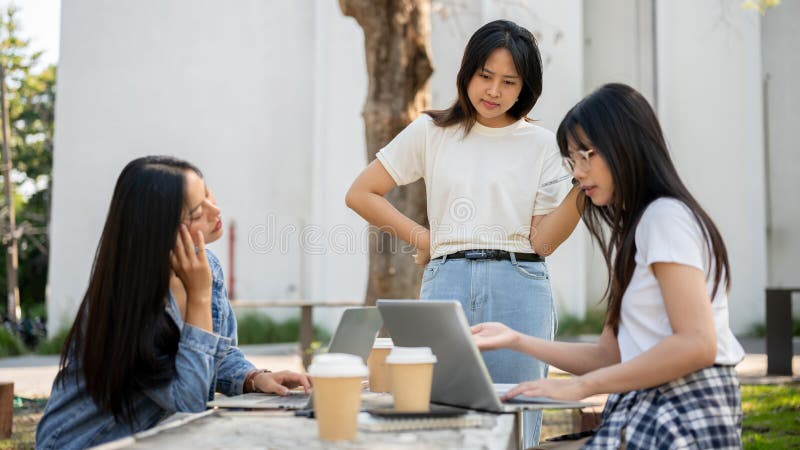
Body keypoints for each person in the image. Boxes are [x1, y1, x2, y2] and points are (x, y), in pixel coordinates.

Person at [346, 20, 581, 445]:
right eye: (485, 76)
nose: (493, 91)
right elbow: (362, 193)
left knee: (516, 417)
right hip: (446, 281)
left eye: (509, 81)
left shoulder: (543, 144)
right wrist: (423, 238)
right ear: (467, 71)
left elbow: (543, 242)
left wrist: (582, 191)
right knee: (438, 417)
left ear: (525, 87)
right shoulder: (431, 132)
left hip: (520, 282)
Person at [472, 84, 745, 449]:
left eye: (587, 155)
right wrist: (517, 340)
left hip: (683, 409)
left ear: (625, 146)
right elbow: (609, 356)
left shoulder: (665, 218)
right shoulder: (638, 230)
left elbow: (698, 344)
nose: (579, 172)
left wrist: (580, 388)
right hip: (647, 404)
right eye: (572, 161)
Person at [36, 156, 311, 450]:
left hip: (155, 438)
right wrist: (199, 296)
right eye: (197, 212)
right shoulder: (129, 302)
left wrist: (253, 378)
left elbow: (218, 356)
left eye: (207, 193)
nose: (215, 210)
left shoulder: (205, 266)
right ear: (161, 230)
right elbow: (188, 404)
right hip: (85, 443)